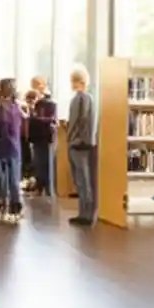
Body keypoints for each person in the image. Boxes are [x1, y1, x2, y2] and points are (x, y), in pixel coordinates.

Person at [67, 65, 97, 226]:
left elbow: (82, 121)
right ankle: (84, 212)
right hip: (80, 143)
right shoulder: (86, 98)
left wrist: (75, 139)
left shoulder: (82, 98)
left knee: (83, 179)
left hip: (79, 144)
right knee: (81, 179)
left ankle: (86, 214)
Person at [0, 79, 25, 224]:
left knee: (1, 180)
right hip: (14, 147)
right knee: (13, 180)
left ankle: (1, 206)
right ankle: (15, 208)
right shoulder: (17, 109)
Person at [28, 77, 58, 196]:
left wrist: (35, 118)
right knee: (38, 162)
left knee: (44, 162)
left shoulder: (49, 103)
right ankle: (39, 186)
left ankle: (47, 188)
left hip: (45, 137)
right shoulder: (37, 102)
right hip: (36, 137)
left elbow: (50, 119)